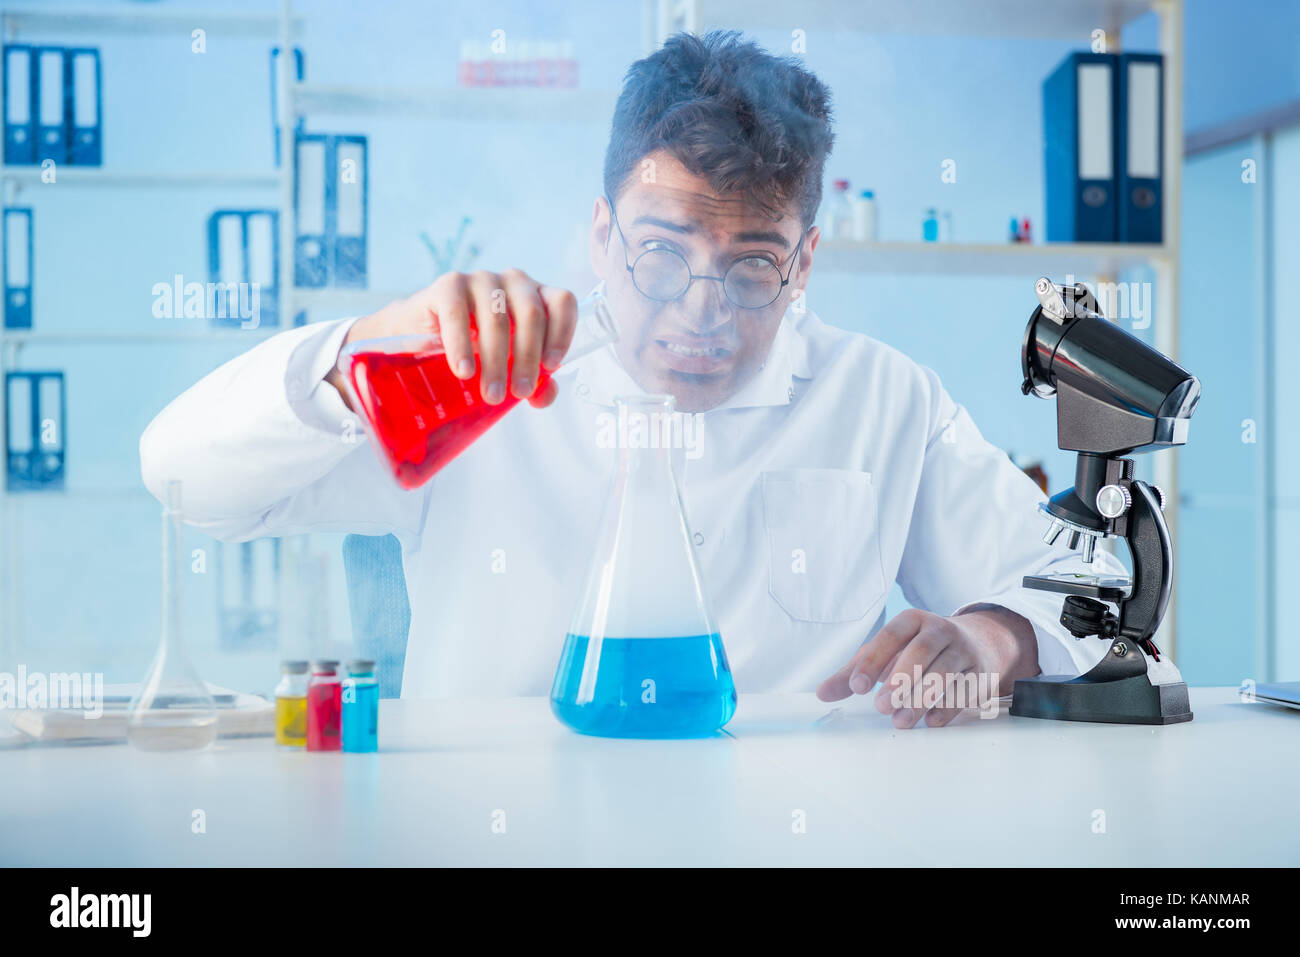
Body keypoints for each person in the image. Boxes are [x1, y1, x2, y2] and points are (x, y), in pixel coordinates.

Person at [140, 31, 1121, 728]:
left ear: (806, 260)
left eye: (751, 266)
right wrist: (370, 346)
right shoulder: (489, 374)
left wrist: (996, 640)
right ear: (601, 235)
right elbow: (183, 479)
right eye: (660, 254)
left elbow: (1094, 588)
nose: (701, 311)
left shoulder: (880, 397)